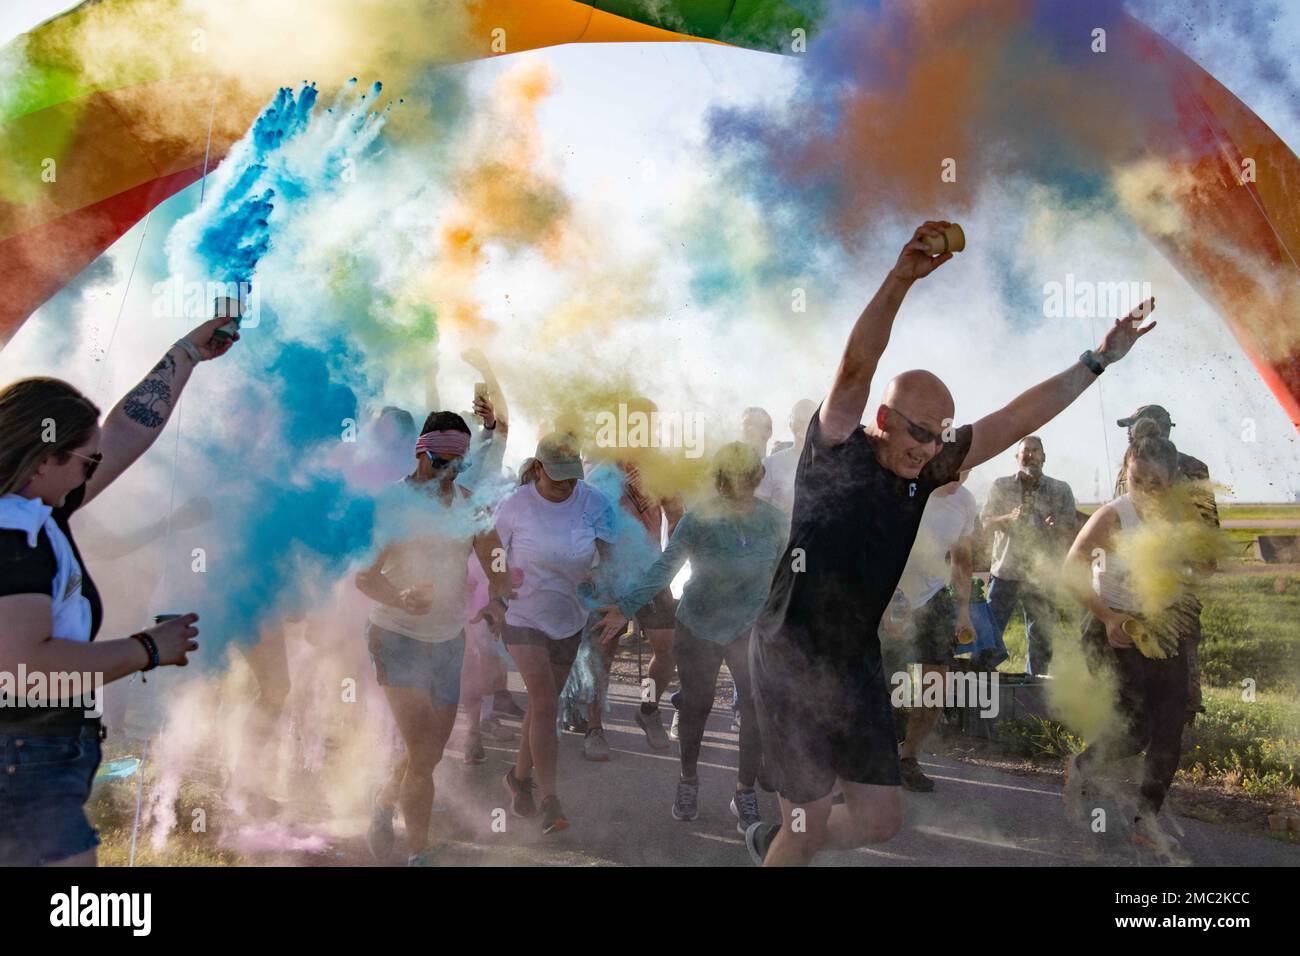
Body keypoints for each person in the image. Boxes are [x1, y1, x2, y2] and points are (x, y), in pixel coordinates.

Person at [745, 220, 1155, 867]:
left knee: (879, 820)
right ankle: (786, 843)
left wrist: (1097, 359)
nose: (930, 449)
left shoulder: (929, 468)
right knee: (807, 821)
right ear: (883, 420)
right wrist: (902, 277)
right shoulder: (833, 448)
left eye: (939, 437)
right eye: (917, 433)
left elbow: (1016, 418)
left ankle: (777, 843)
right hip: (790, 653)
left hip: (852, 661)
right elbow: (857, 366)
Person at [0, 312, 236, 866]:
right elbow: (22, 672)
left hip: (33, 754)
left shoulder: (38, 508)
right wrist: (148, 649)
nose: (95, 471)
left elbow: (128, 430)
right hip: (21, 756)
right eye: (86, 461)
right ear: (41, 461)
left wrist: (186, 354)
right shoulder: (15, 535)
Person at [594, 443, 787, 832]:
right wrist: (627, 606)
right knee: (695, 706)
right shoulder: (699, 520)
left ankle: (744, 791)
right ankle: (688, 781)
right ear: (719, 481)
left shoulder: (774, 521)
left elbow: (788, 576)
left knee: (754, 710)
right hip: (699, 624)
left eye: (746, 480)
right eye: (730, 481)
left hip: (749, 627)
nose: (738, 488)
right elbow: (666, 566)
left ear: (756, 479)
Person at [355, 411, 505, 865]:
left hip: (448, 640)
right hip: (396, 636)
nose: (446, 474)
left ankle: (382, 804)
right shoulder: (392, 505)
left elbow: (496, 558)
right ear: (421, 454)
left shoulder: (470, 505)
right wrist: (398, 597)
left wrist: (499, 601)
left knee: (429, 752)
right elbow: (364, 577)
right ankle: (419, 853)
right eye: (439, 463)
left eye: (456, 465)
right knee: (421, 750)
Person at [1061, 433, 1208, 855]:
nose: (1143, 491)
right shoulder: (1114, 516)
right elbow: (1072, 568)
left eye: (1155, 483)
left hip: (1164, 629)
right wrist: (1109, 619)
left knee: (1170, 726)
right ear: (1126, 475)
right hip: (1112, 627)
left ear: (1174, 479)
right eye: (1135, 480)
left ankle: (1147, 820)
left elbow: (1200, 569)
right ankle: (1081, 767)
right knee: (1136, 729)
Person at [487, 434, 615, 834]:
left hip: (570, 617)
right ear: (538, 468)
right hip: (522, 615)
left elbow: (611, 555)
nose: (565, 484)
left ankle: (517, 779)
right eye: (556, 476)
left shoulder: (594, 502)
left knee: (543, 708)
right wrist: (498, 588)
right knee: (544, 703)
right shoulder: (515, 504)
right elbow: (489, 547)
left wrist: (603, 582)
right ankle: (549, 801)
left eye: (571, 477)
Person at [580, 398, 683, 754]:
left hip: (652, 574)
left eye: (648, 423)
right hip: (608, 574)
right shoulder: (600, 463)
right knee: (602, 651)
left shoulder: (660, 467)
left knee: (667, 649)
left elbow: (676, 514)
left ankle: (649, 709)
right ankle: (594, 728)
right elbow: (589, 519)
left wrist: (671, 559)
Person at [1113, 404, 1218, 724]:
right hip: (1135, 576)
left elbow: (1206, 528)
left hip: (1174, 574)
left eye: (1134, 426)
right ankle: (1150, 719)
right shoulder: (1128, 465)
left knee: (1180, 644)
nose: (1129, 433)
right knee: (1142, 643)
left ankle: (1181, 717)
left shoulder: (1190, 468)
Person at [885, 470, 978, 792]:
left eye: (968, 468)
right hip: (889, 594)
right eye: (955, 467)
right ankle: (872, 759)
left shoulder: (965, 502)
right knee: (883, 684)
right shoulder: (903, 489)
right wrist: (888, 603)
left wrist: (964, 611)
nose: (960, 476)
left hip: (934, 599)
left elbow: (962, 560)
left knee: (935, 687)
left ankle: (907, 758)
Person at [979, 436, 1076, 675]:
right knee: (991, 630)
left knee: (1041, 634)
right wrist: (1007, 519)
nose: (1030, 454)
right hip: (1006, 571)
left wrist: (1057, 526)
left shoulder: (1060, 489)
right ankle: (981, 679)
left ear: (1044, 457)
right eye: (1026, 451)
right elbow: (985, 523)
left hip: (1042, 573)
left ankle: (1036, 687)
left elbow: (1070, 527)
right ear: (1017, 457)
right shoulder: (1001, 486)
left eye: (1035, 450)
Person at [755, 399, 817, 518]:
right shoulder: (770, 464)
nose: (803, 424)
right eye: (798, 419)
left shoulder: (829, 464)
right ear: (790, 423)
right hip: (780, 534)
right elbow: (758, 507)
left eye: (809, 419)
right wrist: (780, 514)